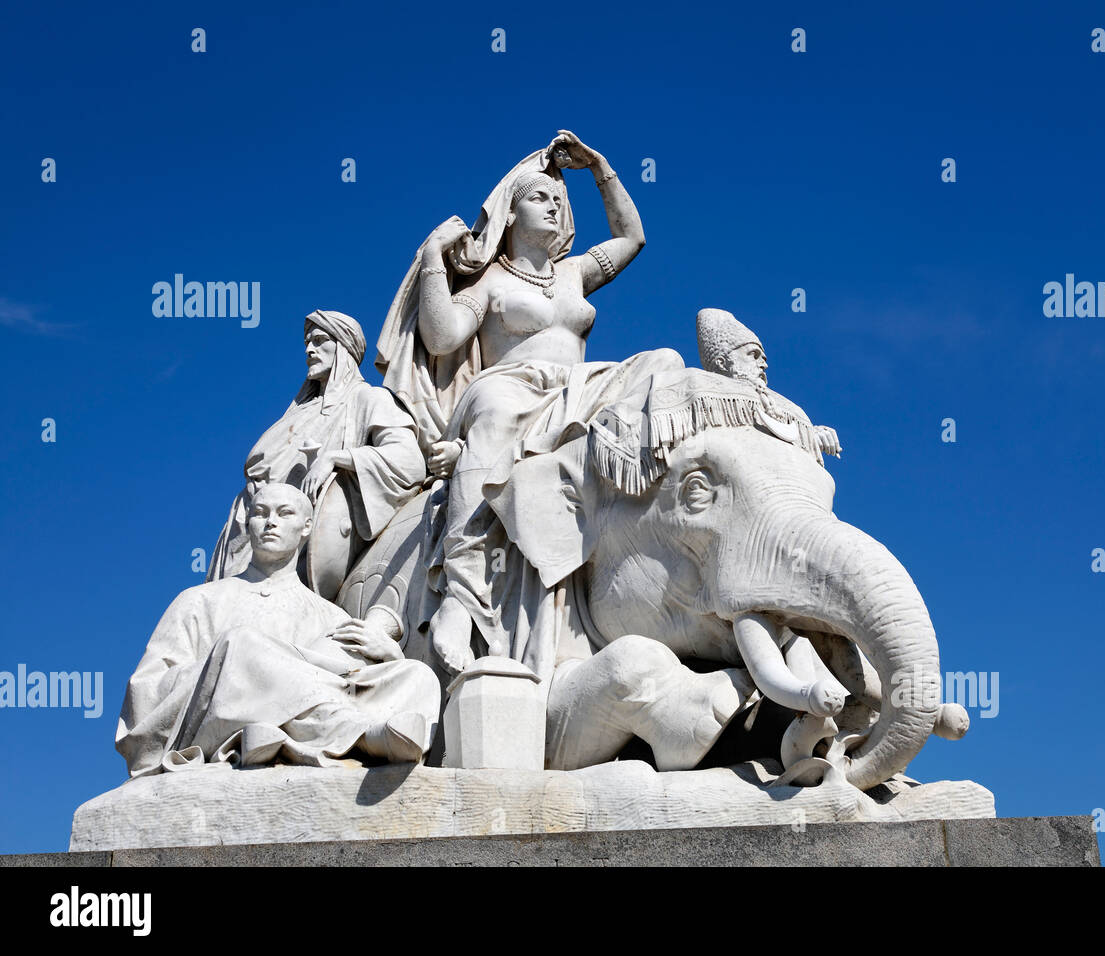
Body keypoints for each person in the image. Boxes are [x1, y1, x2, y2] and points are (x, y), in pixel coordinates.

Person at [376, 131, 682, 679]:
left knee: (664, 362)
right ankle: (461, 597)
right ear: (510, 216)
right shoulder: (492, 282)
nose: (555, 203)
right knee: (491, 415)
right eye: (539, 197)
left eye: (558, 199)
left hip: (579, 386)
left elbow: (632, 237)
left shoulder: (575, 273)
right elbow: (443, 338)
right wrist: (430, 260)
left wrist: (599, 168)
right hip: (511, 386)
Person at [117, 482, 441, 777]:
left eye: (285, 513)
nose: (270, 522)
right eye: (260, 513)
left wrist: (389, 654)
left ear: (307, 527)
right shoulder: (200, 600)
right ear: (248, 524)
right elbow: (146, 692)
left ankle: (299, 733)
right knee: (241, 645)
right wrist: (228, 669)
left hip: (330, 701)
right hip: (221, 717)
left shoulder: (332, 616)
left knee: (417, 676)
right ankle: (357, 734)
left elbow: (352, 682)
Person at [208, 310, 426, 617]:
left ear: (345, 348)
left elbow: (409, 461)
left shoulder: (368, 400)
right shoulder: (295, 414)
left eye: (320, 341)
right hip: (246, 530)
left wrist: (337, 458)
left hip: (300, 547)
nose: (309, 350)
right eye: (307, 342)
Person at [695, 307, 842, 461]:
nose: (763, 365)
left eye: (763, 359)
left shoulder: (789, 409)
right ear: (722, 363)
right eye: (754, 355)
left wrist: (812, 437)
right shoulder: (700, 397)